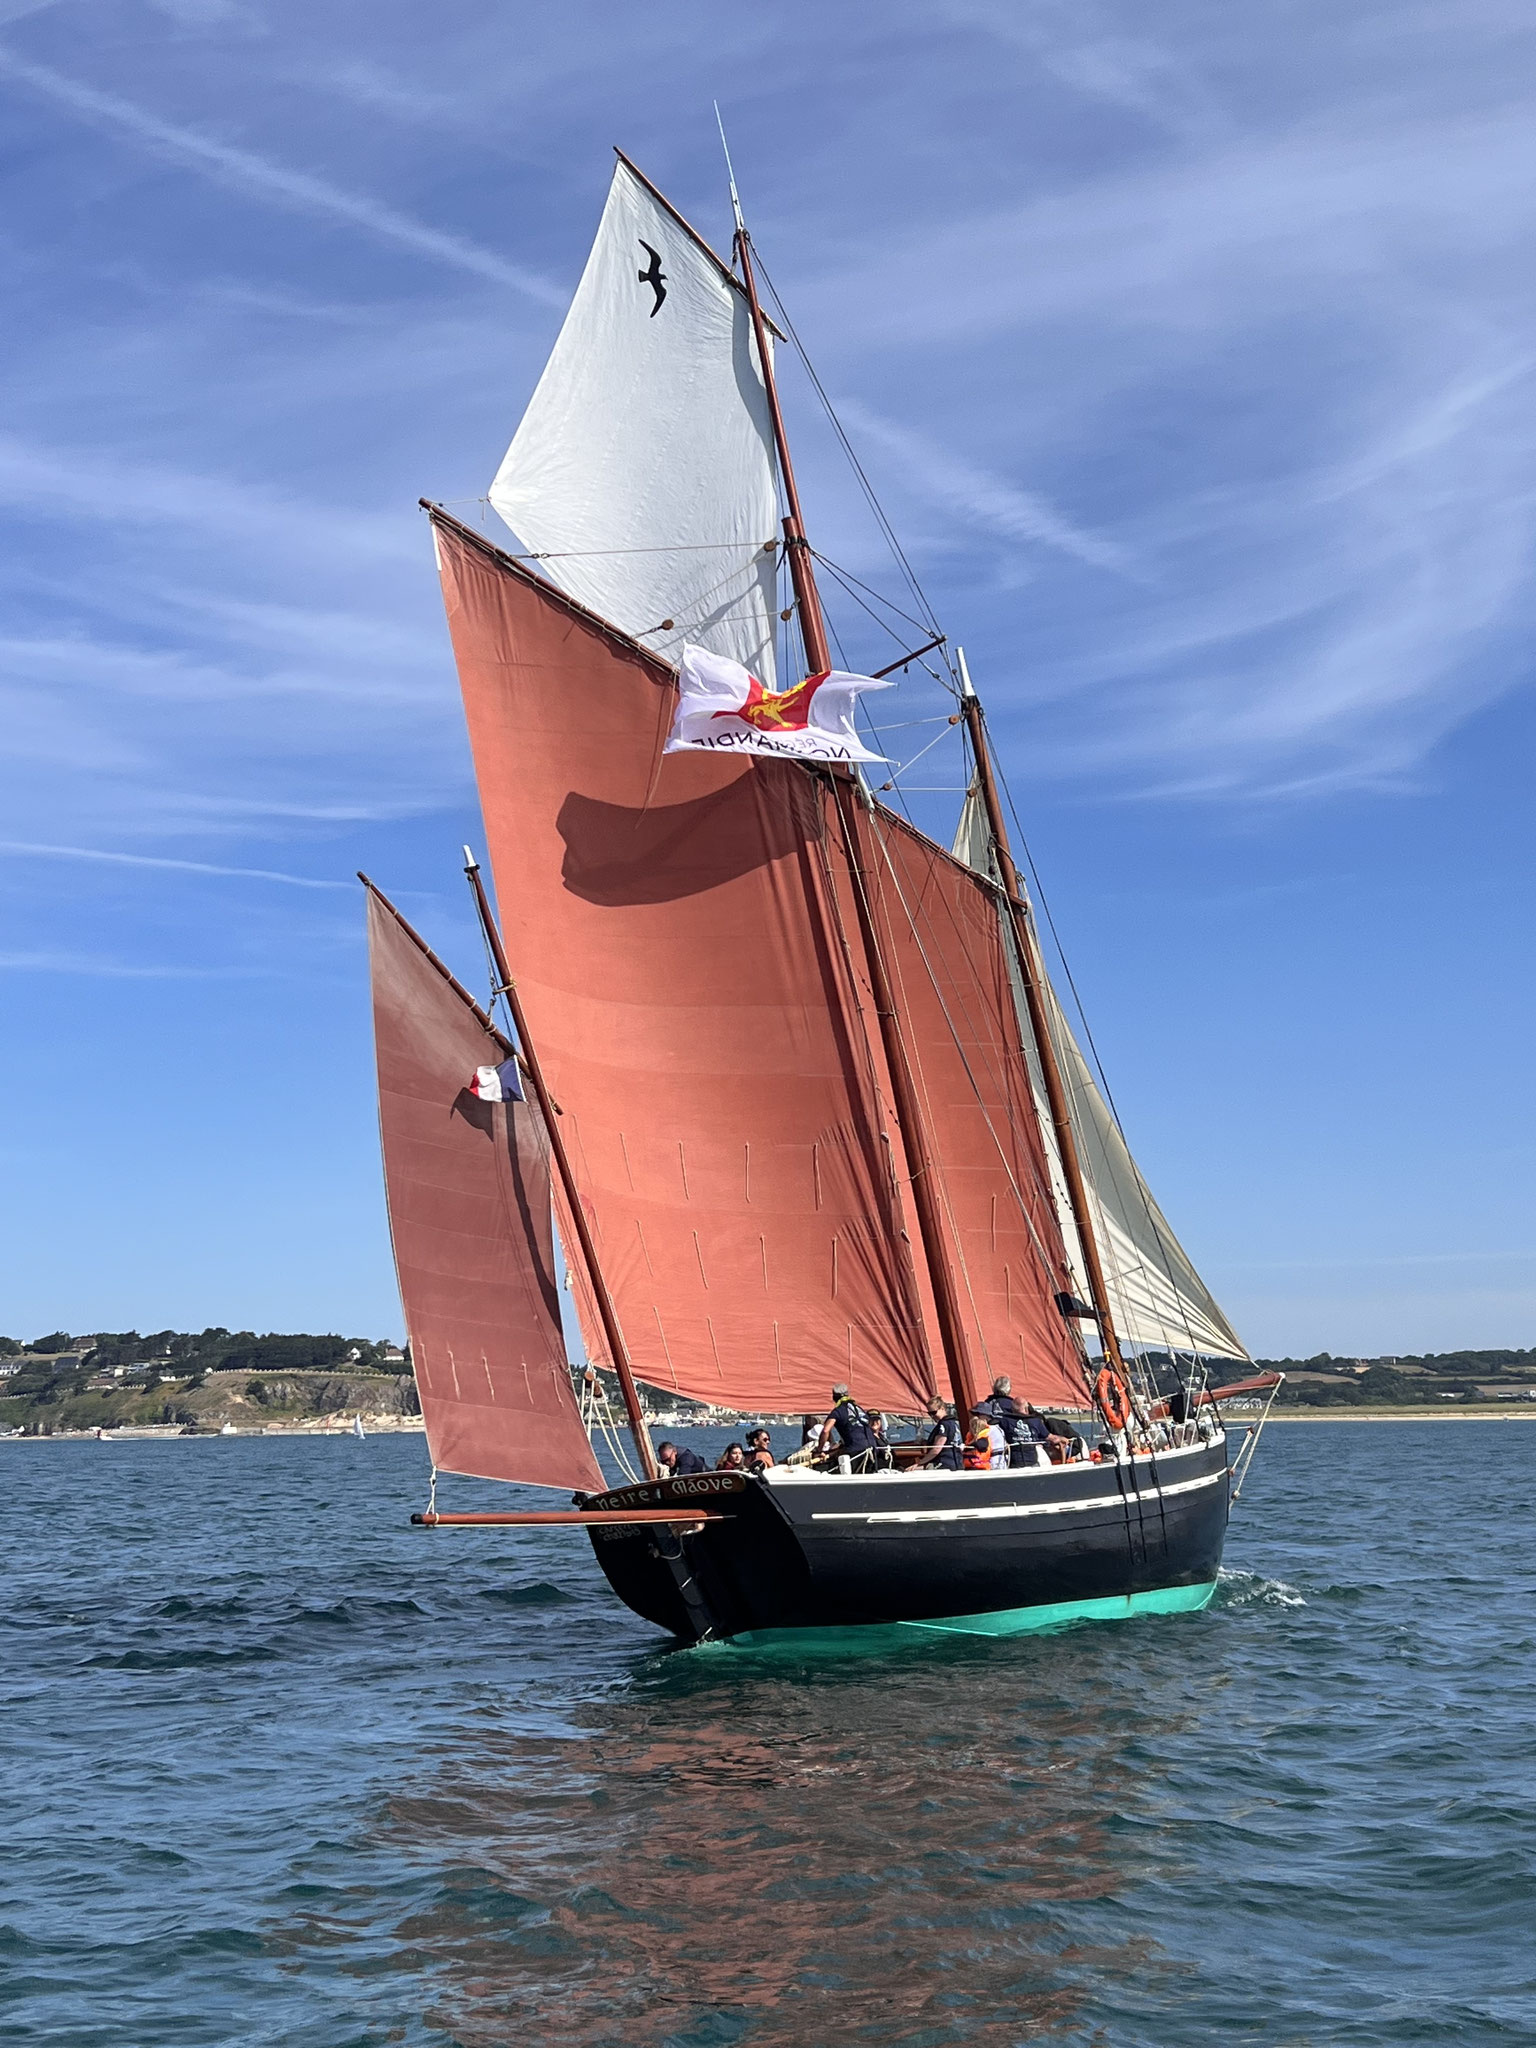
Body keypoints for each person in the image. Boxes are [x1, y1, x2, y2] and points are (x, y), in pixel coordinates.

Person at [817, 1382, 877, 1469]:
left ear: (834, 1397)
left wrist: (819, 1450)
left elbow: (826, 1430)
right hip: (872, 1448)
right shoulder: (859, 1409)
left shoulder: (838, 1411)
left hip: (855, 1450)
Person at [918, 1396, 964, 1470]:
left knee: (911, 1471)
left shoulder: (943, 1425)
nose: (932, 1416)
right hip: (957, 1463)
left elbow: (937, 1449)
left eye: (933, 1412)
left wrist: (919, 1463)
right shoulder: (954, 1423)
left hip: (943, 1464)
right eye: (929, 1413)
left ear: (942, 1408)